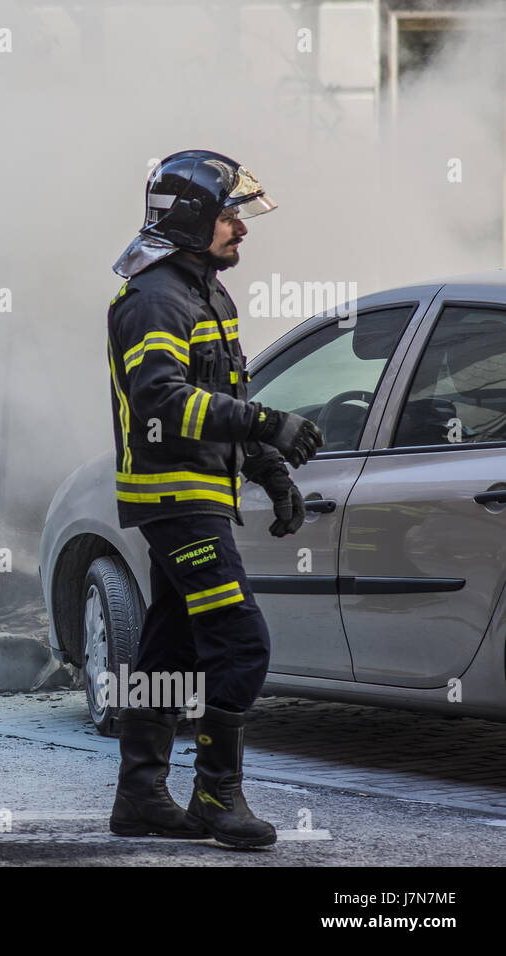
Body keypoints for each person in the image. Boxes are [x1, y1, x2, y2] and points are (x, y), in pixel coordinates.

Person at [105, 151, 323, 848]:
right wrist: (267, 426)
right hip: (173, 497)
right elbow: (160, 400)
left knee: (168, 651)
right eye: (232, 215)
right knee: (240, 643)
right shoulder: (156, 297)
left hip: (199, 494)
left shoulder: (206, 293)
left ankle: (139, 797)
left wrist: (268, 469)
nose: (243, 230)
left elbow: (225, 399)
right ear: (196, 216)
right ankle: (215, 796)